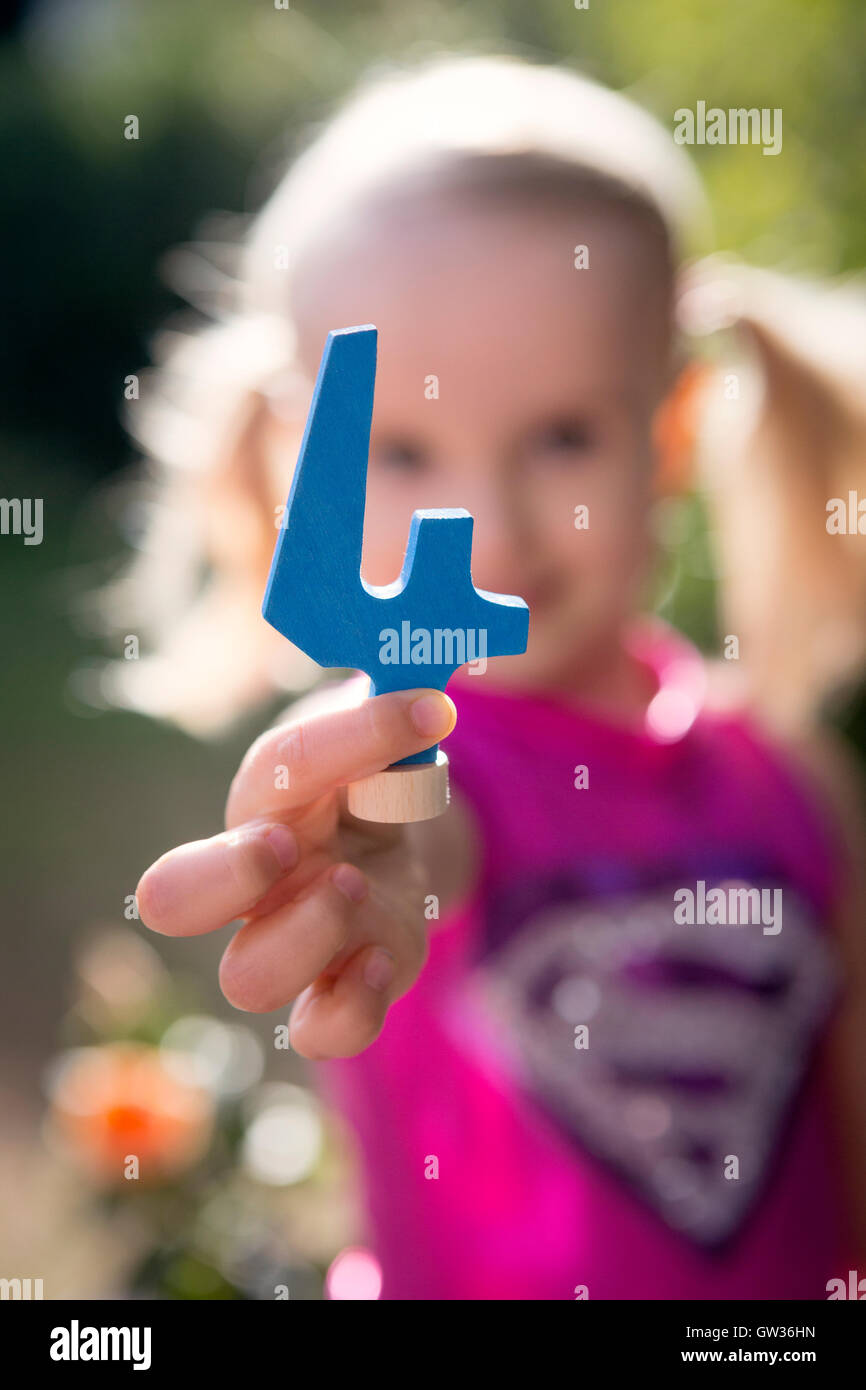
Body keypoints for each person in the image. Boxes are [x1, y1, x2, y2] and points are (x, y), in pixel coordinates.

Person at [128, 55, 866, 1298]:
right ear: (308, 465)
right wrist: (365, 855)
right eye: (402, 449)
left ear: (667, 434)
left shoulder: (791, 781)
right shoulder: (422, 763)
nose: (485, 520)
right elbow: (417, 848)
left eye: (562, 436)